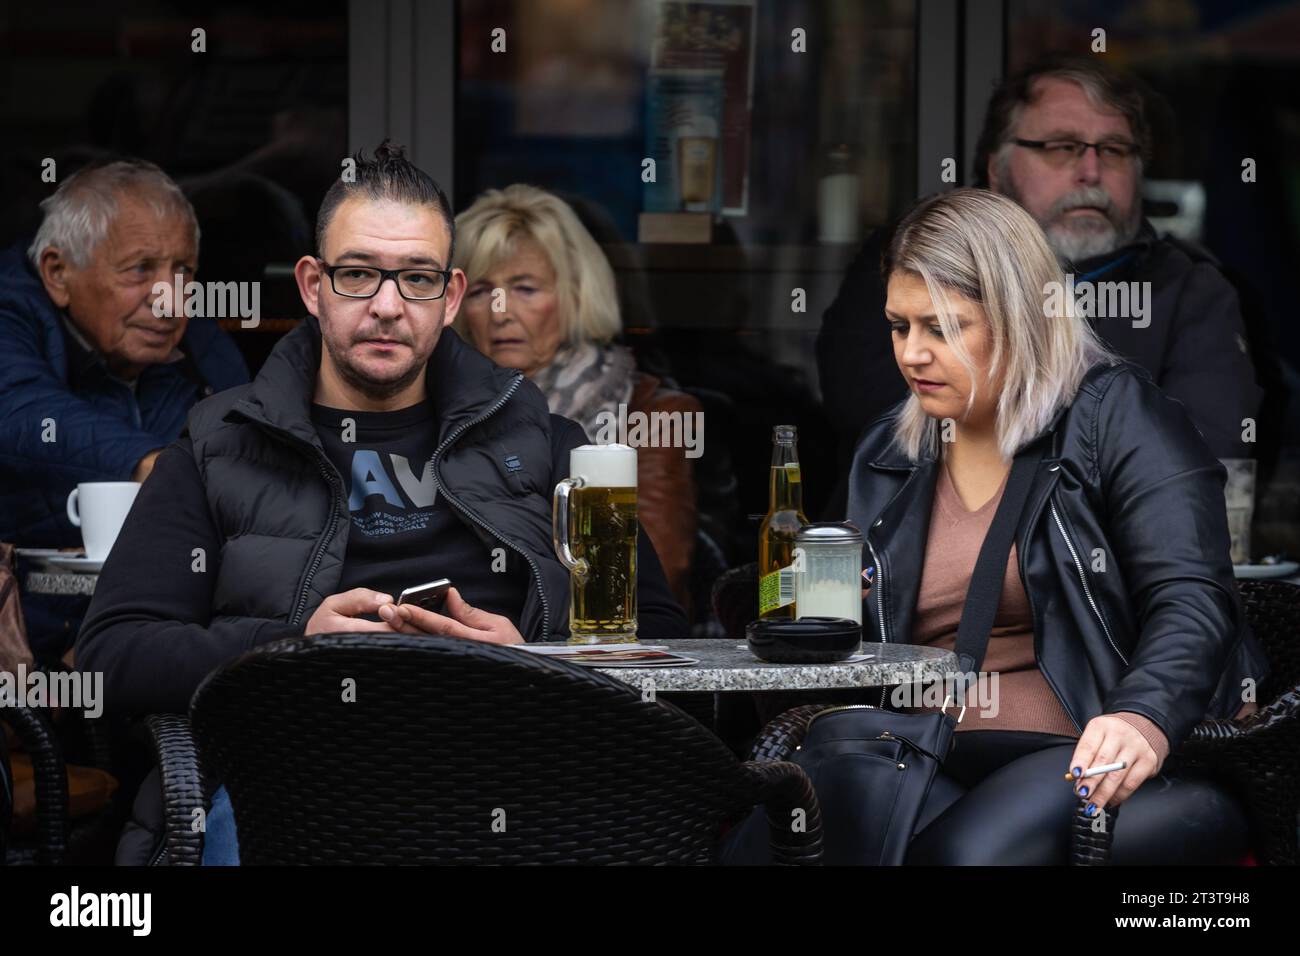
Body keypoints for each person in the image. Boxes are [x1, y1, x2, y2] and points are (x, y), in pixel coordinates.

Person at [76, 143, 687, 864]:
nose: (389, 306)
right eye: (359, 274)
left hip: (514, 779)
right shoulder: (222, 444)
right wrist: (294, 644)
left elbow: (665, 643)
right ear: (312, 285)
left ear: (452, 296)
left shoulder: (547, 442)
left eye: (418, 278)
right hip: (300, 779)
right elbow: (112, 654)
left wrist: (535, 662)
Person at [726, 189, 1267, 865]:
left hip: (1093, 748)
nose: (913, 355)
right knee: (771, 840)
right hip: (928, 747)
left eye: (944, 328)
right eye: (900, 327)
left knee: (960, 857)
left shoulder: (1115, 418)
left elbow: (1193, 597)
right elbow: (846, 624)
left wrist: (1143, 716)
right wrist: (803, 612)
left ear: (1017, 320)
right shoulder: (891, 454)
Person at [819, 52, 1263, 473]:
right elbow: (869, 412)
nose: (1090, 171)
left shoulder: (1188, 290)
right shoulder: (913, 256)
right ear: (997, 168)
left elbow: (1199, 455)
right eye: (1061, 146)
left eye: (1113, 149)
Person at [0, 159, 248, 662]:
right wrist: (153, 465)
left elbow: (250, 445)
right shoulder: (11, 312)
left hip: (162, 631)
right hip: (33, 634)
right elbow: (18, 410)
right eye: (140, 269)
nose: (168, 298)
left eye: (184, 271)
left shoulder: (198, 346)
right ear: (57, 272)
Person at [454, 184, 701, 611]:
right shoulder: (440, 409)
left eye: (525, 288)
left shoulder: (650, 416)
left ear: (575, 295)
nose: (500, 311)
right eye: (480, 291)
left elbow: (649, 581)